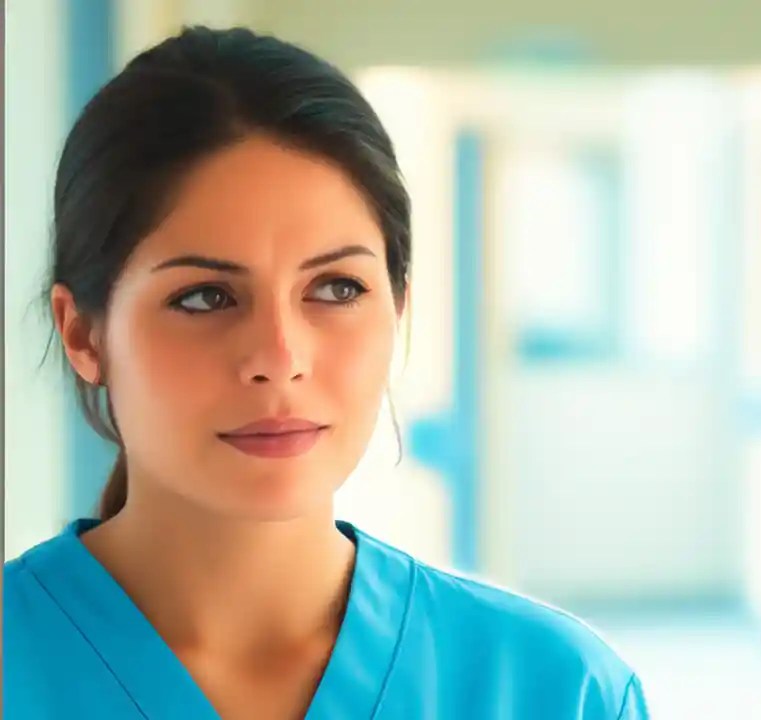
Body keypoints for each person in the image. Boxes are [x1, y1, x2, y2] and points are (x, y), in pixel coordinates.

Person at [3, 25, 647, 720]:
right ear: (82, 332)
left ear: (398, 308)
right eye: (204, 297)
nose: (281, 358)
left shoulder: (554, 691)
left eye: (337, 289)